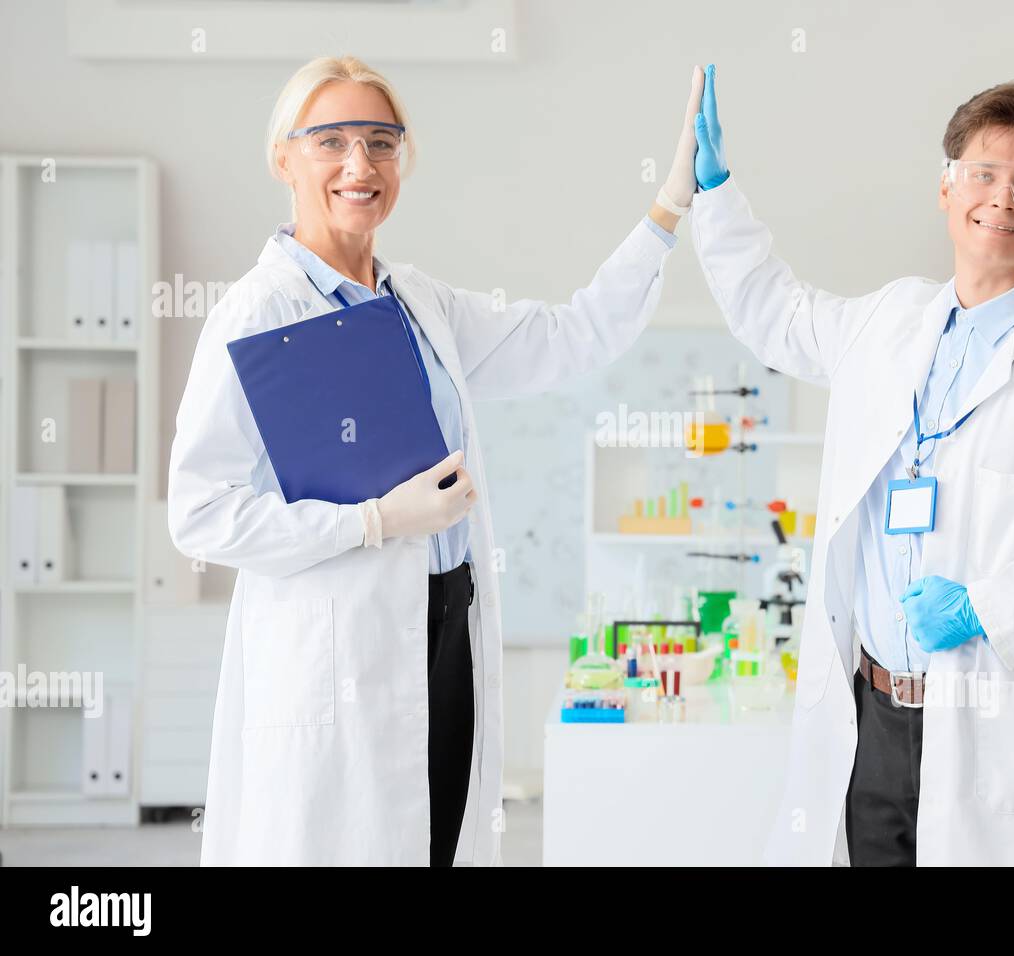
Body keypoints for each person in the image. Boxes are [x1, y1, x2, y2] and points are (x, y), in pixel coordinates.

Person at [168, 56, 705, 865]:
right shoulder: (259, 311)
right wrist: (377, 521)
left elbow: (573, 335)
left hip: (448, 621)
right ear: (284, 157)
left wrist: (668, 207)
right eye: (332, 141)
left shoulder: (419, 303)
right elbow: (200, 513)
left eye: (381, 142)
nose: (361, 165)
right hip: (341, 645)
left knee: (438, 843)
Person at [686, 65, 1014, 865]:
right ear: (947, 189)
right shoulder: (887, 323)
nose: (1004, 198)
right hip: (871, 715)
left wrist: (987, 604)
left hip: (996, 721)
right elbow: (775, 312)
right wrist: (716, 194)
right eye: (983, 174)